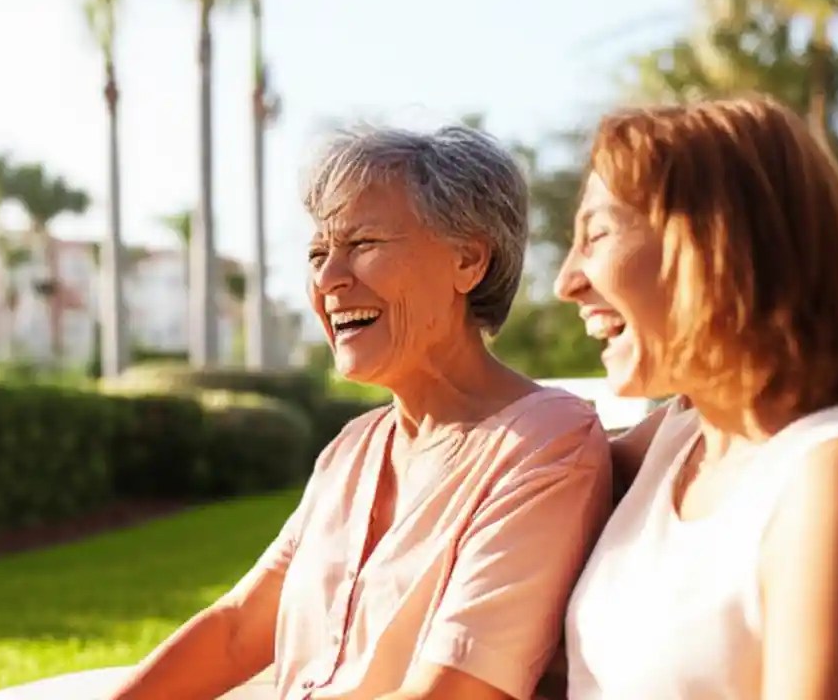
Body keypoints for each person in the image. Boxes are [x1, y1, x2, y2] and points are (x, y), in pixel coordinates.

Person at [109, 125, 611, 700]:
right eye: (319, 253)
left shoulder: (544, 442)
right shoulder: (354, 446)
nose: (327, 280)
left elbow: (454, 694)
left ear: (469, 260)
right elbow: (238, 628)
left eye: (364, 245)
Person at [556, 95, 838, 699]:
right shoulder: (688, 436)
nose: (566, 282)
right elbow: (529, 471)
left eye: (595, 235)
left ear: (713, 243)